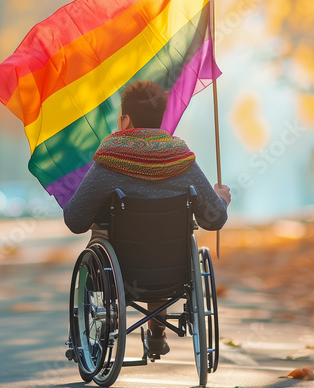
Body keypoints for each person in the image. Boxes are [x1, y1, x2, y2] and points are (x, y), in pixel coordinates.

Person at [64, 80, 231, 357]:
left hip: (119, 268)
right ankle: (157, 332)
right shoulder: (181, 157)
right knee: (161, 244)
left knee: (99, 234)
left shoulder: (110, 157)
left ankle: (91, 335)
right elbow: (213, 220)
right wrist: (221, 199)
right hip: (170, 270)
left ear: (125, 119)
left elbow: (75, 220)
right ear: (160, 119)